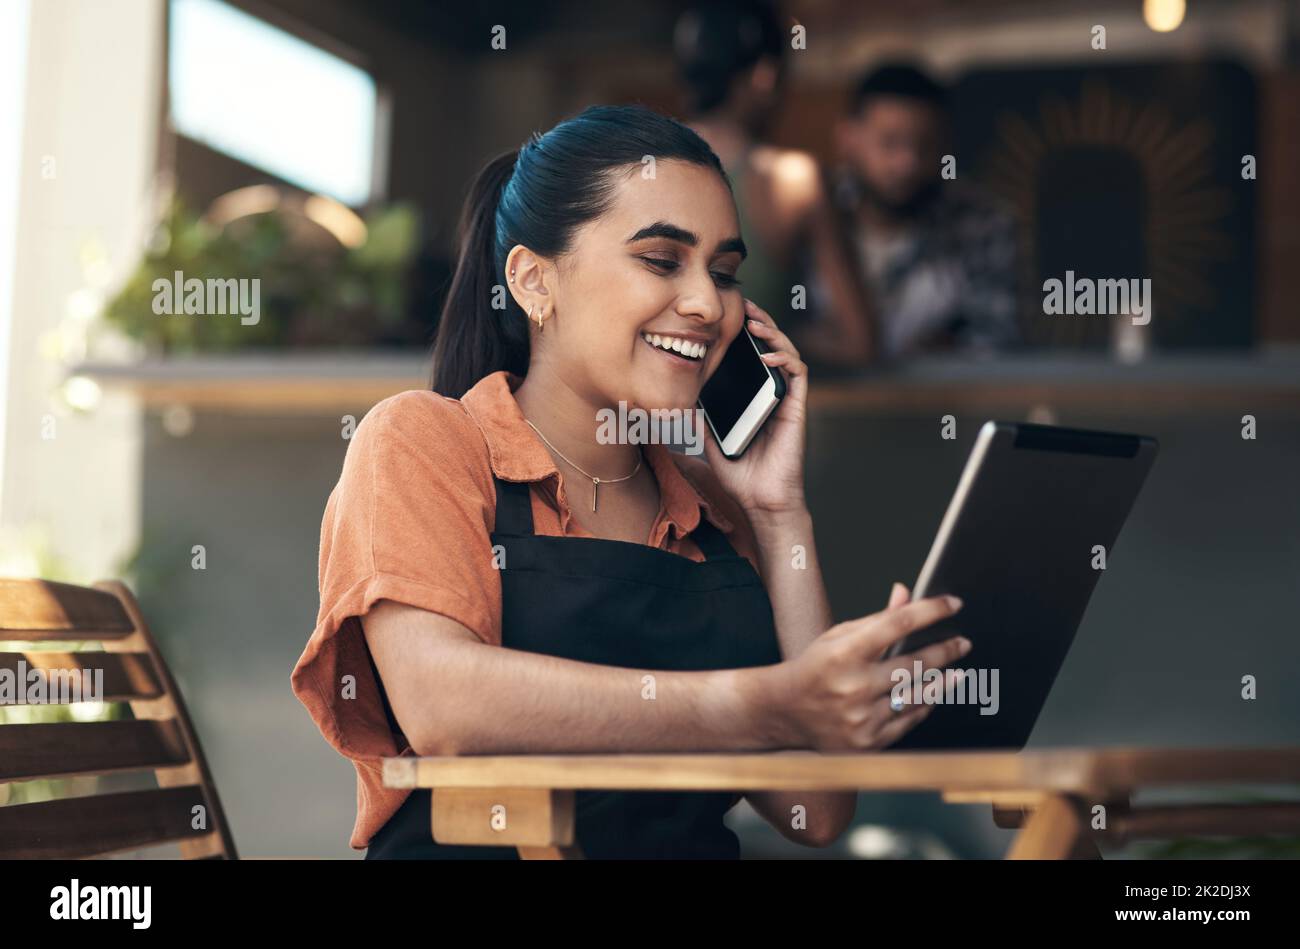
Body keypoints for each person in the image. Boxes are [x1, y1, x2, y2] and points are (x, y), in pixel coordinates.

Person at [290, 104, 969, 859]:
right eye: (660, 259)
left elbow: (815, 807)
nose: (709, 305)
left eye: (724, 272)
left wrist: (779, 515)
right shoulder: (425, 440)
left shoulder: (710, 511)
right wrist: (769, 702)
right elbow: (445, 705)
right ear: (533, 281)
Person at [674, 0, 878, 368]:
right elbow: (858, 342)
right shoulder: (793, 180)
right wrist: (760, 336)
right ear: (765, 76)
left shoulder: (638, 168)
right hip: (756, 416)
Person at [829, 63, 1021, 358]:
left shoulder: (982, 224)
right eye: (889, 143)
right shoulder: (815, 213)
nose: (908, 163)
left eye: (925, 145)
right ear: (848, 139)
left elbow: (994, 350)